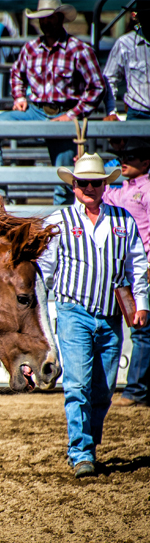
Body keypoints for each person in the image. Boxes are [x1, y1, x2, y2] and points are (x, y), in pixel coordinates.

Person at [37, 153, 149, 478]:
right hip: (73, 311)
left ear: (104, 185)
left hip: (111, 314)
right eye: (83, 182)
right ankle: (81, 451)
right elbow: (45, 273)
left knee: (102, 389)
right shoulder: (58, 221)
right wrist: (43, 314)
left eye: (95, 182)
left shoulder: (123, 220)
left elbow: (136, 265)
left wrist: (141, 303)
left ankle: (87, 443)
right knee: (77, 385)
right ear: (73, 185)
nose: (89, 187)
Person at [0, 0, 106, 206]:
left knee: (63, 179)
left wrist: (73, 114)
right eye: (42, 19)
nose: (45, 23)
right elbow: (16, 73)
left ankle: (61, 220)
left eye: (50, 17)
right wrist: (19, 97)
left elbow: (97, 86)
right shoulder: (31, 48)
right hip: (34, 111)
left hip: (64, 114)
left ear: (60, 18)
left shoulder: (79, 49)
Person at [105, 140, 150, 408]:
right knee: (140, 329)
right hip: (129, 269)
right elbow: (97, 195)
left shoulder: (146, 190)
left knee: (143, 331)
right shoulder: (121, 191)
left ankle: (136, 391)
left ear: (145, 163)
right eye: (122, 157)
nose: (123, 161)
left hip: (143, 268)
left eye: (130, 158)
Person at [103, 1, 150, 121]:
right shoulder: (125, 43)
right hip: (138, 114)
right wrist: (111, 112)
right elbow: (109, 78)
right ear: (139, 18)